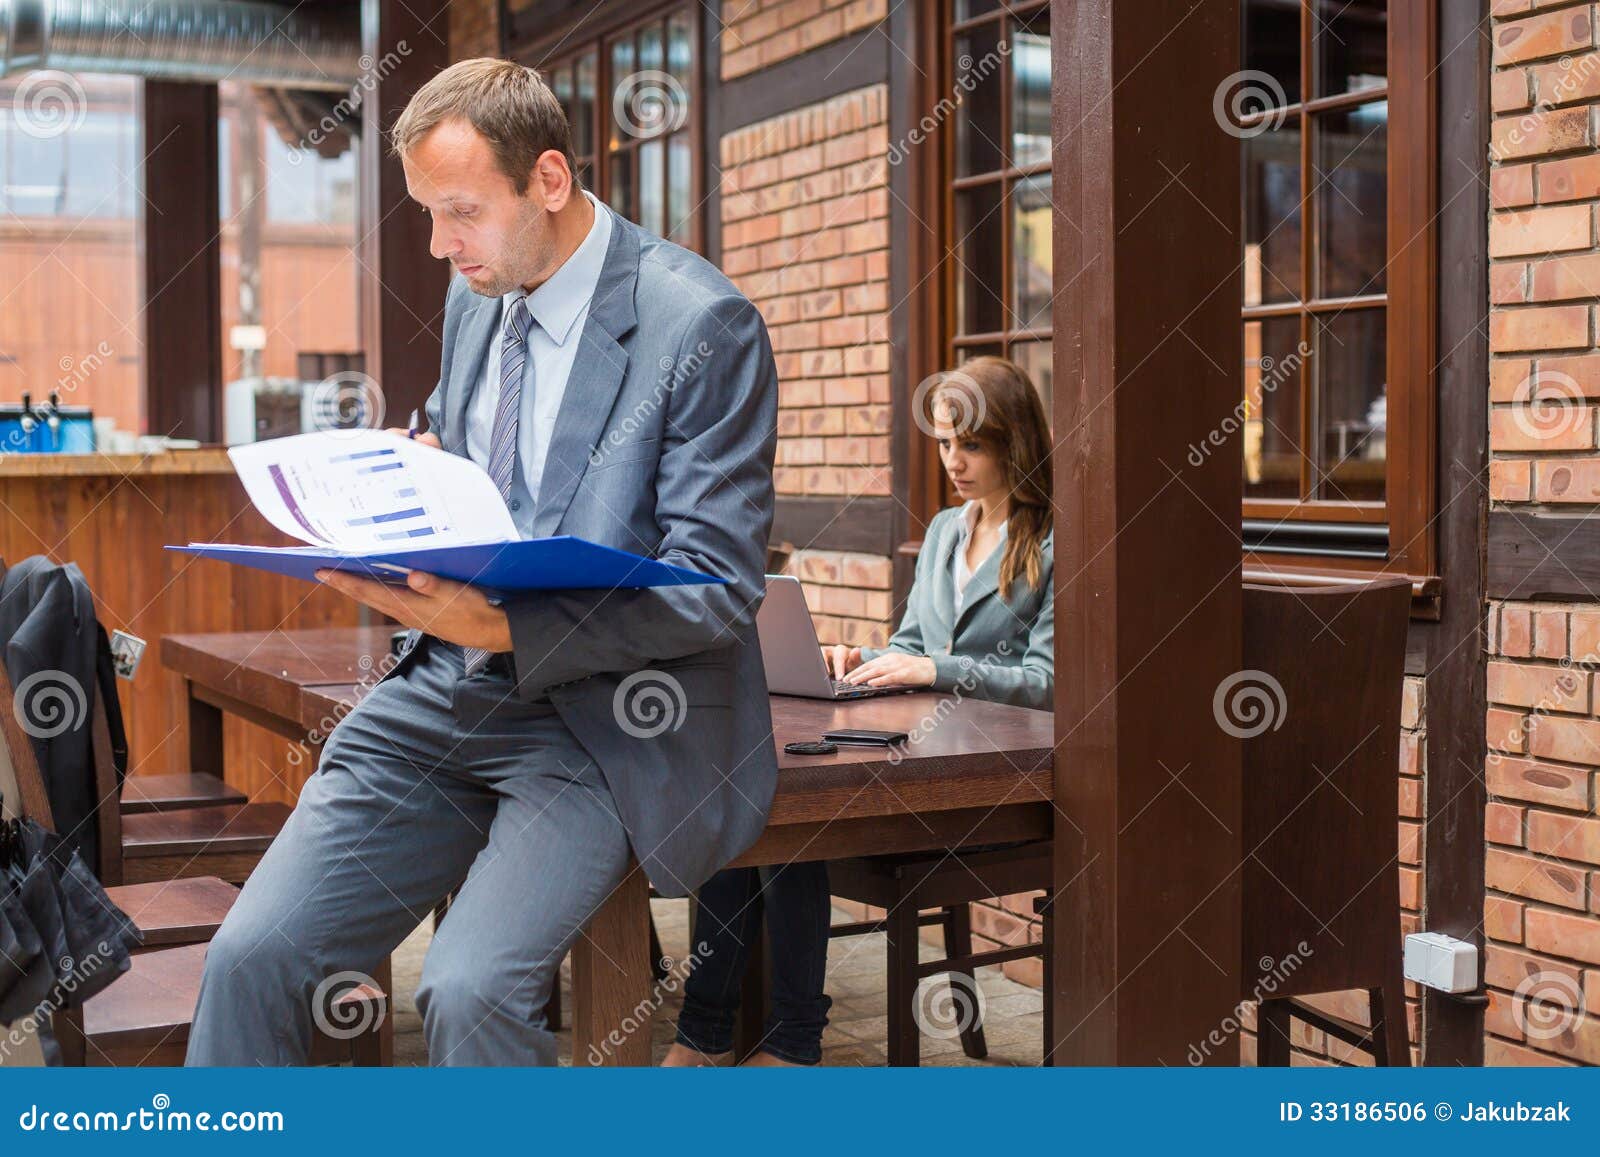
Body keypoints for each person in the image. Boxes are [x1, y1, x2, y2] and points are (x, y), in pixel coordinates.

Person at [186, 58, 779, 1067]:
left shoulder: (699, 324)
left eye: (459, 212)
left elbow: (716, 586)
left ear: (548, 179)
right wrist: (409, 483)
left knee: (466, 991)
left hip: (603, 720)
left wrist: (504, 625)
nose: (439, 244)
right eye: (427, 213)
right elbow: (478, 464)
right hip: (443, 689)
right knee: (250, 954)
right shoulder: (478, 297)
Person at [663, 355, 1053, 1066]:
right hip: (915, 749)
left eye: (971, 444)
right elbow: (912, 646)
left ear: (1014, 441)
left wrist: (935, 668)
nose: (953, 461)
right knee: (749, 807)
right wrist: (860, 658)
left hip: (987, 781)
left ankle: (790, 1046)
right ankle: (705, 1034)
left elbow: (1048, 682)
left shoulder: (1053, 542)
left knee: (792, 821)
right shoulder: (946, 530)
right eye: (945, 442)